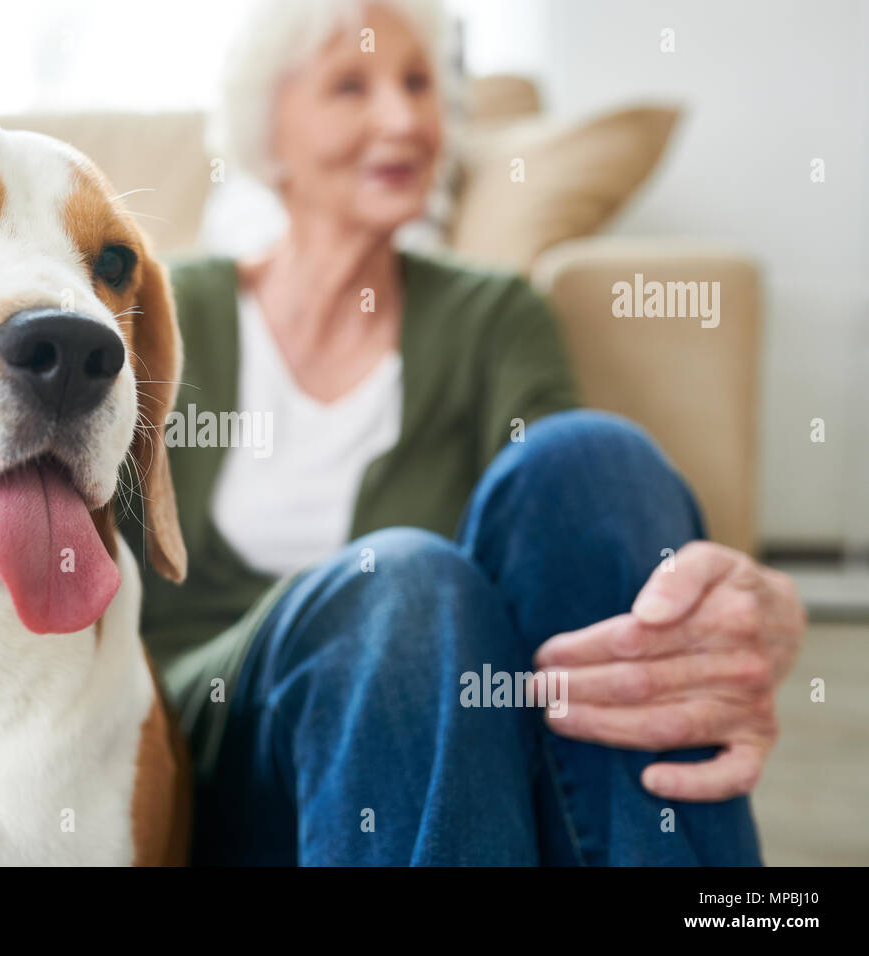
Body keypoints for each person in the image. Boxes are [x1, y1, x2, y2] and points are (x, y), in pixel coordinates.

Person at [125, 0, 806, 865]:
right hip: (222, 756)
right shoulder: (163, 307)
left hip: (451, 744)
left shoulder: (493, 311)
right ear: (270, 131)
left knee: (593, 457)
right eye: (351, 86)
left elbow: (584, 528)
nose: (404, 119)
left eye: (419, 84)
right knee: (400, 579)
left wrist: (729, 602)